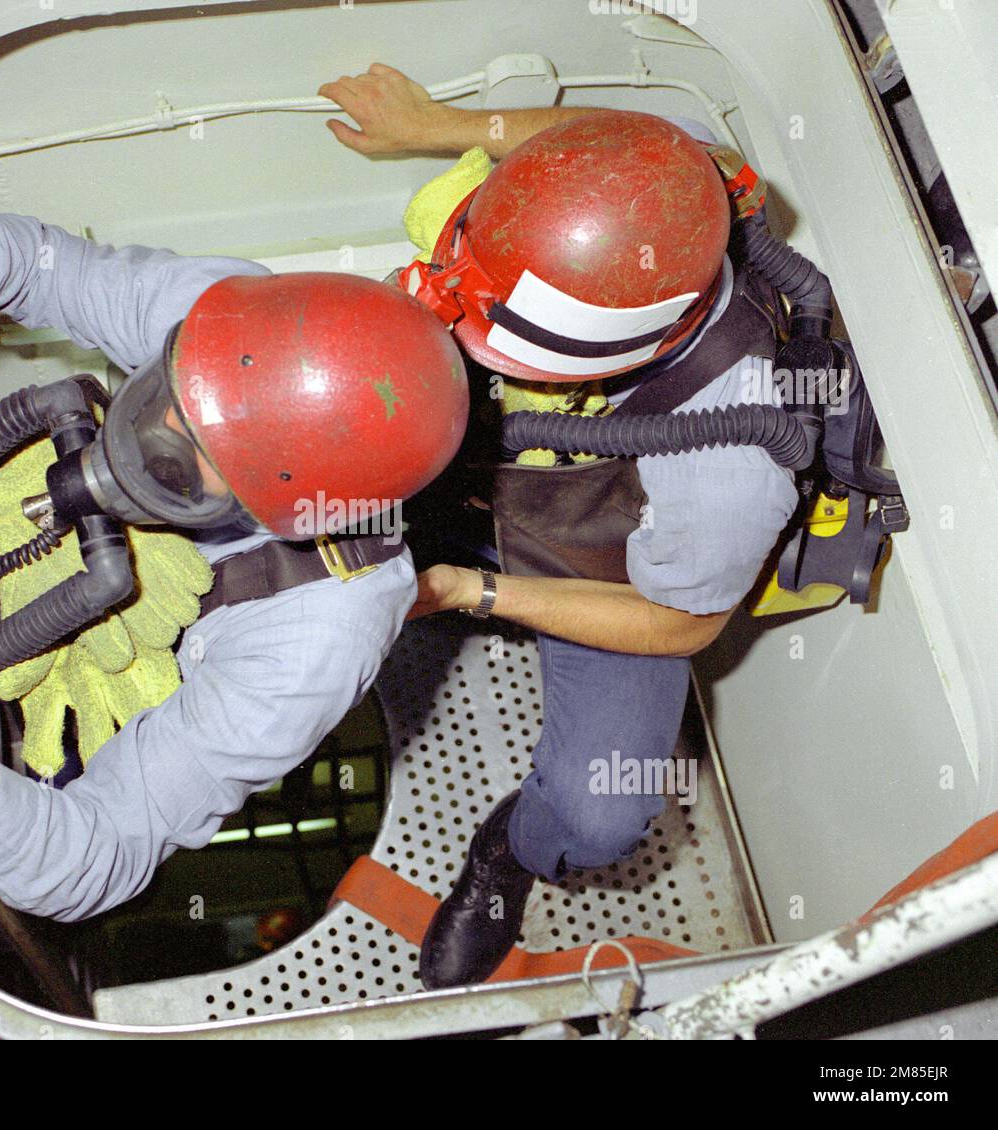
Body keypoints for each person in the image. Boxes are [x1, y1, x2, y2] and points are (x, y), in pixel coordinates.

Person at [0, 193, 466, 922]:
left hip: (127, 688)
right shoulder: (225, 318)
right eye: (167, 389)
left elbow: (96, 855)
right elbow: (50, 268)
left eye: (188, 462)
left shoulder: (317, 644)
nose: (149, 434)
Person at [321, 65, 799, 987]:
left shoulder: (733, 462)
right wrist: (437, 124)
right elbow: (618, 139)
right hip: (456, 485)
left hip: (599, 567)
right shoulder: (679, 183)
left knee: (601, 813)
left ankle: (512, 853)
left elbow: (685, 624)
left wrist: (478, 593)